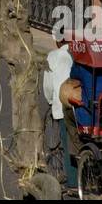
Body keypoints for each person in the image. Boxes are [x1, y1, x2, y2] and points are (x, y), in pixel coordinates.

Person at [42, 36, 75, 187]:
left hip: (62, 106)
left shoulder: (53, 56)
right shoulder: (78, 53)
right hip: (81, 106)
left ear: (57, 41)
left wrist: (50, 100)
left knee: (66, 143)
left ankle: (72, 180)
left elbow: (48, 86)